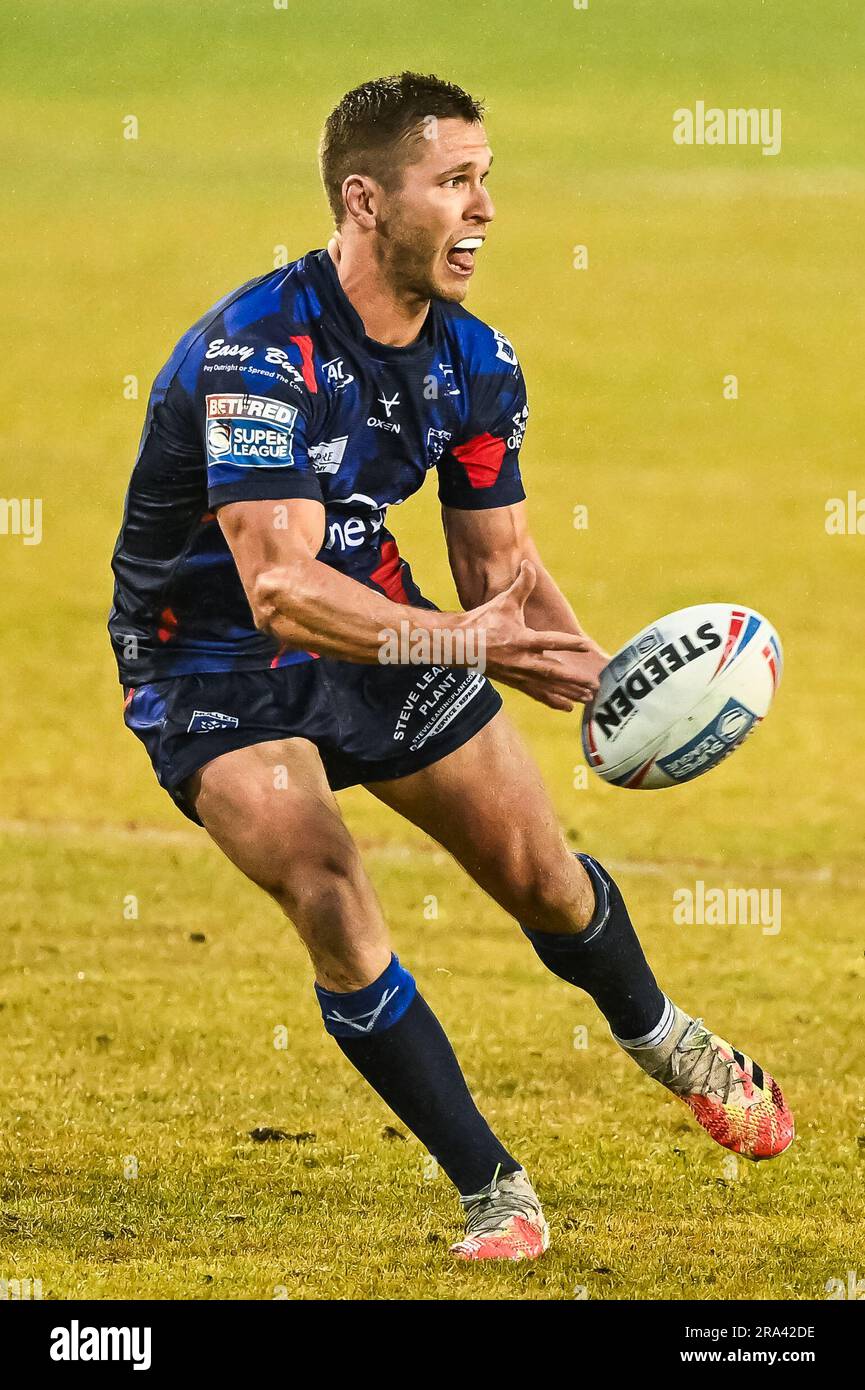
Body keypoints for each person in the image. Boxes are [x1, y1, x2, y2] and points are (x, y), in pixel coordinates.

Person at [109, 72, 793, 1262]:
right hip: (211, 663)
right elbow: (276, 588)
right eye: (456, 183)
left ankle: (669, 1038)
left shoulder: (478, 365)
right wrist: (460, 640)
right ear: (367, 200)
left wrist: (618, 674)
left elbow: (500, 577)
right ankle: (494, 1189)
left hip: (381, 627)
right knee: (329, 887)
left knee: (541, 875)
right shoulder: (257, 351)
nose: (484, 211)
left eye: (489, 181)